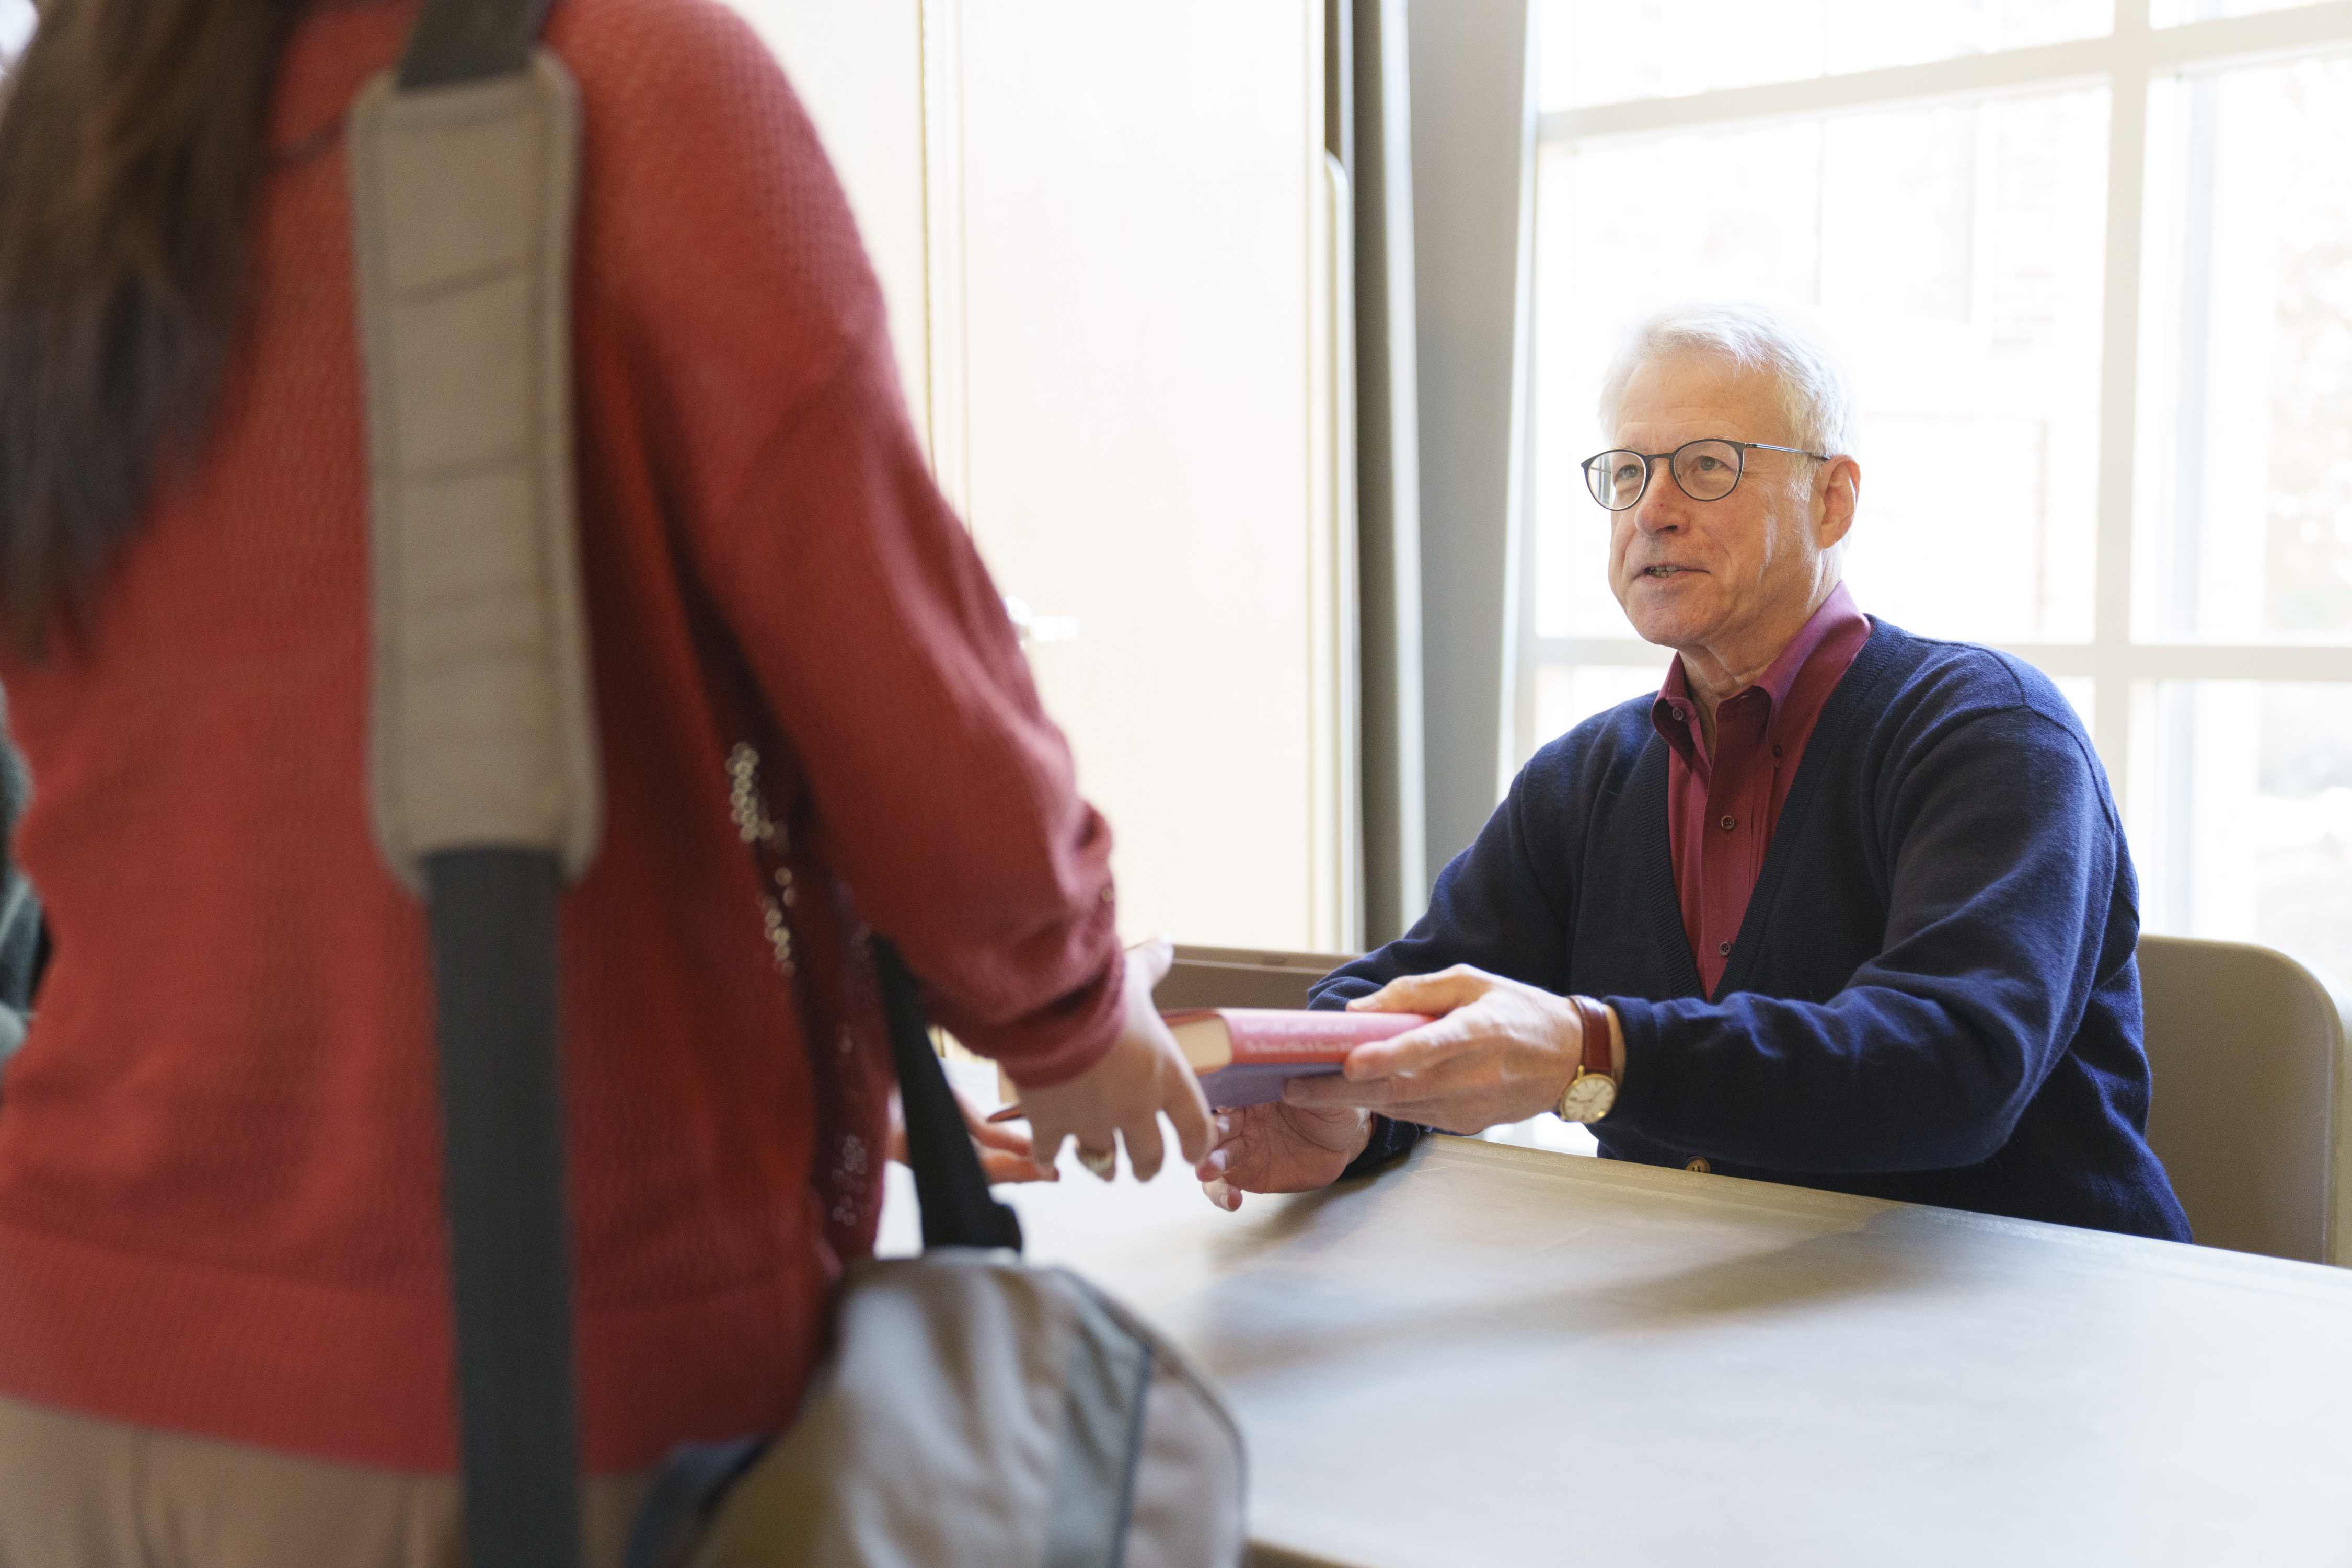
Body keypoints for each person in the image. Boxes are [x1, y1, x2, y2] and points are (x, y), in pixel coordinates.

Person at [0, 0, 1209, 1559]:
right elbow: (898, 671)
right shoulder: (619, 80)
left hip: (59, 1370)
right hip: (510, 1382)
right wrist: (1067, 1013)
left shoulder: (72, 139)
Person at [1198, 301, 2189, 1244]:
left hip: (2030, 1319)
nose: (1654, 511)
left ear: (1833, 497)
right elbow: (1415, 991)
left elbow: (1948, 1067)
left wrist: (1593, 1052)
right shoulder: (1590, 776)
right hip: (1706, 1309)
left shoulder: (1988, 732)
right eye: (1627, 474)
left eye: (1706, 467)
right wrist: (1339, 1114)